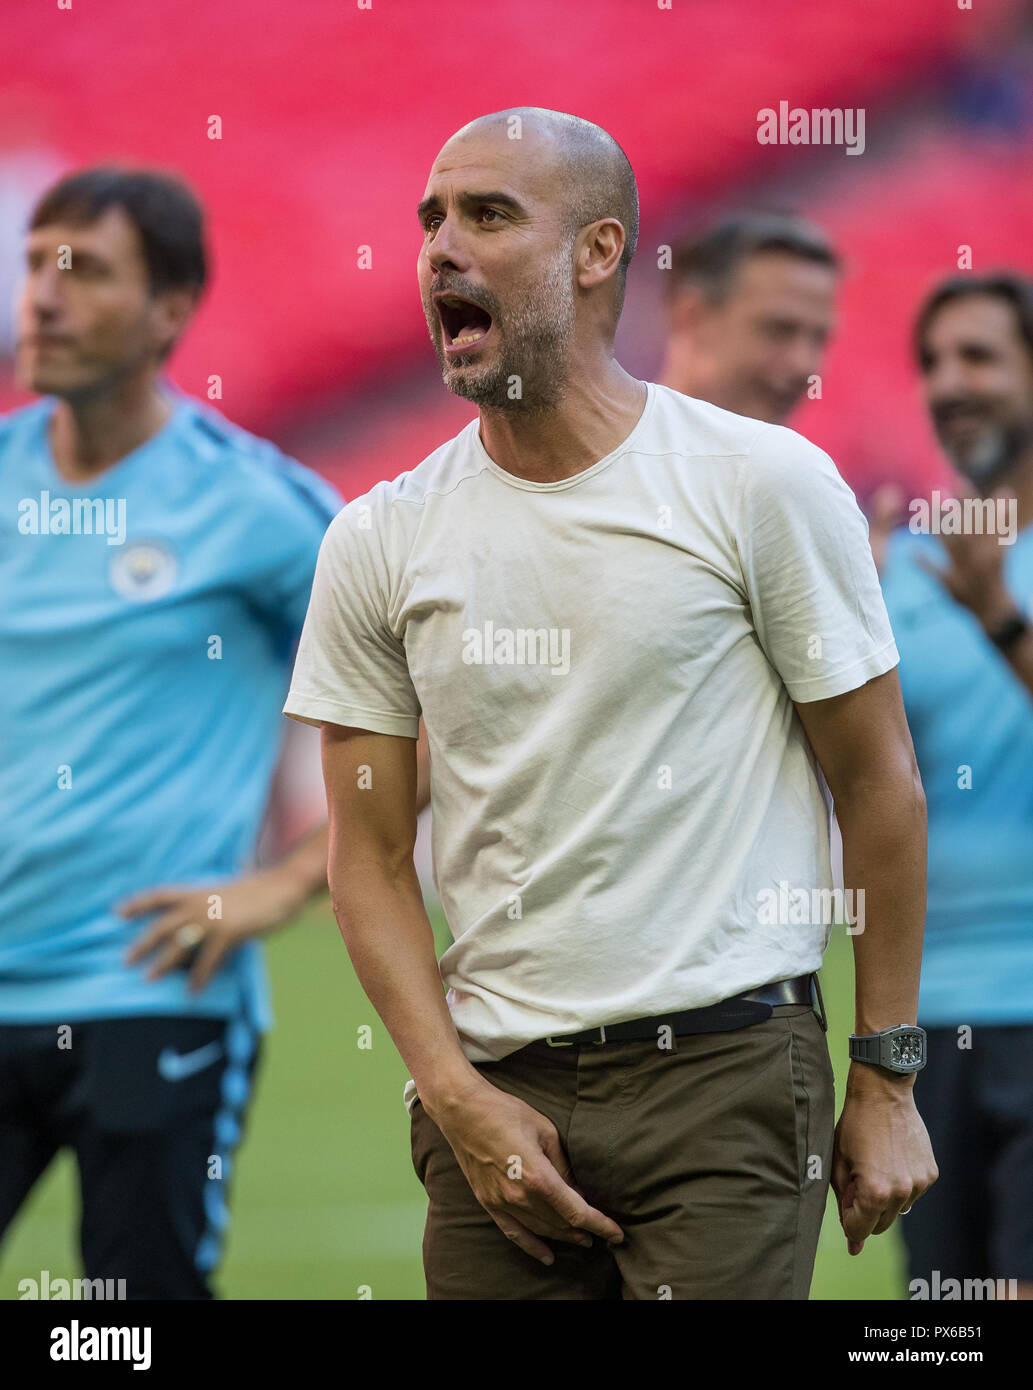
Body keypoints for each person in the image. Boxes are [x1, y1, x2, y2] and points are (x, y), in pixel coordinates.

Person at [285, 107, 936, 1300]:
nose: (440, 245)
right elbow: (368, 853)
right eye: (430, 217)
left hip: (730, 1077)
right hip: (498, 1094)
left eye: (487, 214)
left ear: (596, 253)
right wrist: (455, 1095)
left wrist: (884, 1079)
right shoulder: (376, 538)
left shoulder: (760, 485)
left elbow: (878, 783)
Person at [0, 165, 428, 1299]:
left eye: (82, 270)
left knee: (129, 1325)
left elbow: (425, 704)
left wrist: (285, 885)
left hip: (151, 996)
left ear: (170, 308)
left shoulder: (255, 507)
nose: (39, 296)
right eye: (35, 264)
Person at [873, 273, 1033, 1300]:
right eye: (932, 362)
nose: (949, 382)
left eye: (977, 356)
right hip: (923, 1027)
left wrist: (1000, 622)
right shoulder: (899, 574)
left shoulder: (969, 586)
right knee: (941, 1319)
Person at [658, 210, 839, 425]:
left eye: (819, 339)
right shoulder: (614, 453)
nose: (804, 364)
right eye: (778, 330)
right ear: (693, 319)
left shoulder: (803, 457)